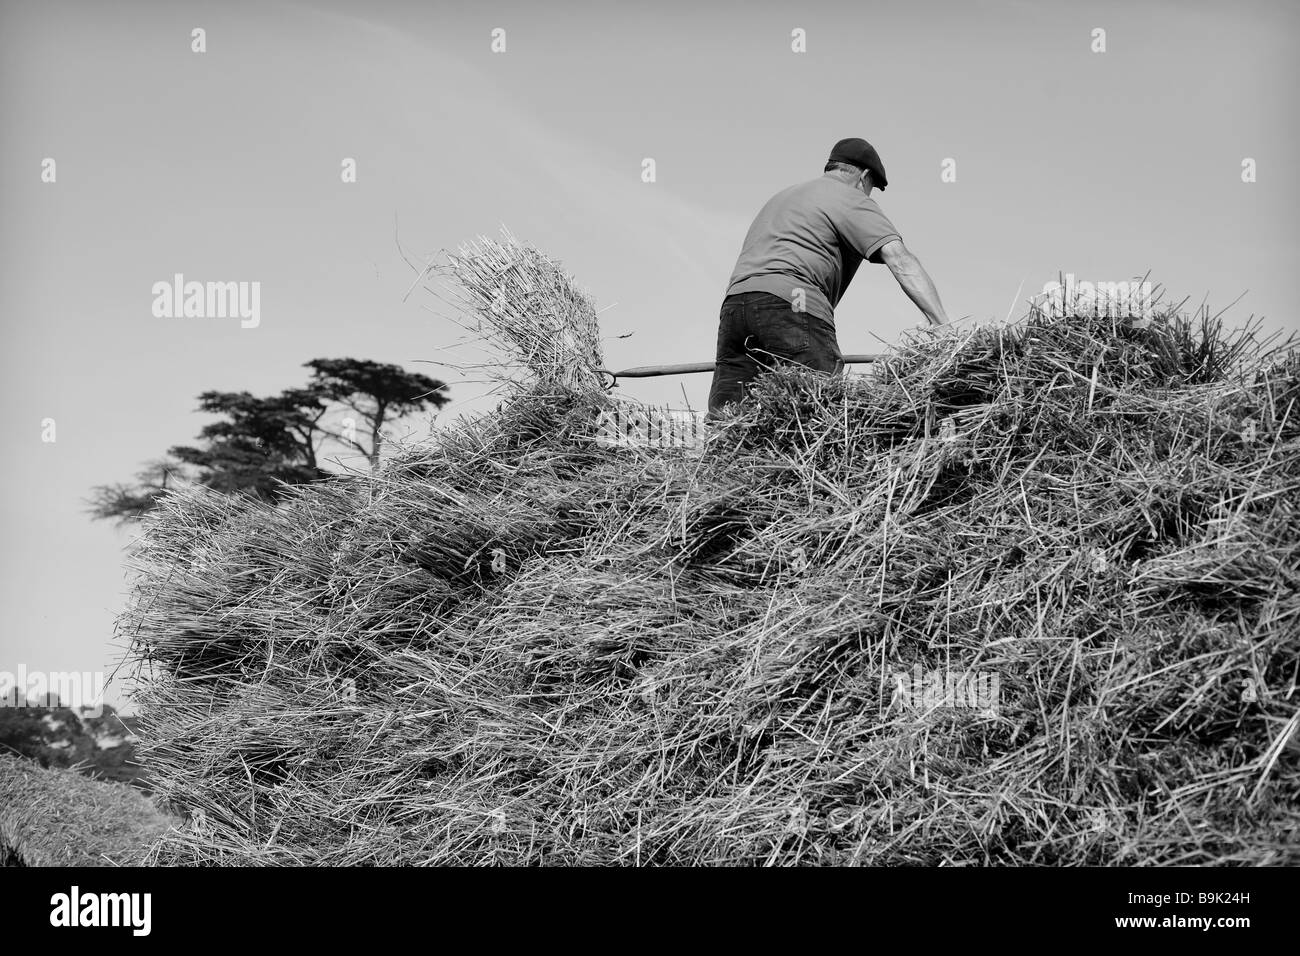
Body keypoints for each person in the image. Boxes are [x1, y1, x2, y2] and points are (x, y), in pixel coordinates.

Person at [707, 137, 951, 419]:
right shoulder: (849, 197)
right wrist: (943, 324)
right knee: (821, 414)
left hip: (736, 309)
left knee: (729, 420)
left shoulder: (786, 197)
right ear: (864, 176)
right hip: (792, 306)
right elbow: (900, 259)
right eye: (872, 188)